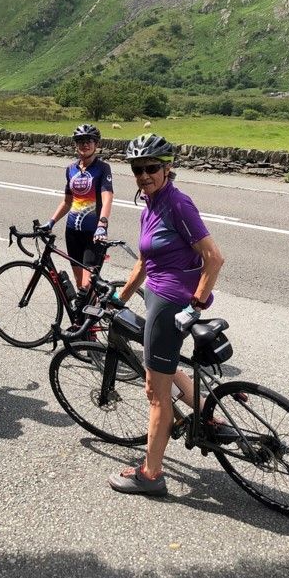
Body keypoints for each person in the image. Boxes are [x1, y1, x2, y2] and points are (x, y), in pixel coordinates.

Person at [107, 134, 224, 496]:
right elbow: (145, 261)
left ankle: (151, 474)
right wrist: (119, 298)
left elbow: (214, 258)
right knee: (166, 368)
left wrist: (195, 306)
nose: (144, 175)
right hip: (157, 299)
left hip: (171, 305)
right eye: (138, 169)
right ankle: (211, 418)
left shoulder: (177, 203)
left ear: (168, 167)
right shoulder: (150, 206)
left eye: (151, 168)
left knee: (155, 393)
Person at [44, 123, 113, 300]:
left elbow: (107, 198)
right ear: (76, 144)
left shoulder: (102, 168)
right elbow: (67, 201)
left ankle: (100, 312)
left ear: (96, 144)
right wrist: (51, 222)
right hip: (72, 232)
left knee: (87, 284)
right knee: (79, 283)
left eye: (89, 141)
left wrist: (102, 224)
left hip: (94, 234)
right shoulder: (71, 169)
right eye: (81, 141)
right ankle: (85, 316)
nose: (85, 144)